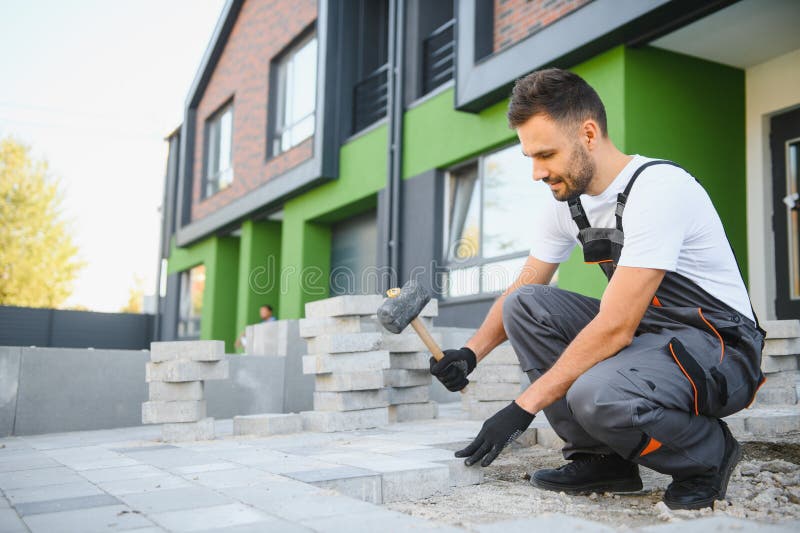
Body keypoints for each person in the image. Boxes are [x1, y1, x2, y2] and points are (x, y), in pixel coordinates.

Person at [430, 68, 765, 511]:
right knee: (527, 305)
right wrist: (470, 353)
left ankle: (707, 455)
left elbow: (615, 327)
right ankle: (601, 459)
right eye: (530, 156)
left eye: (545, 154)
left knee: (598, 393)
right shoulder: (568, 202)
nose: (536, 172)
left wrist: (522, 407)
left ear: (588, 133)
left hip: (718, 346)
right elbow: (525, 286)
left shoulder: (659, 189)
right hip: (653, 337)